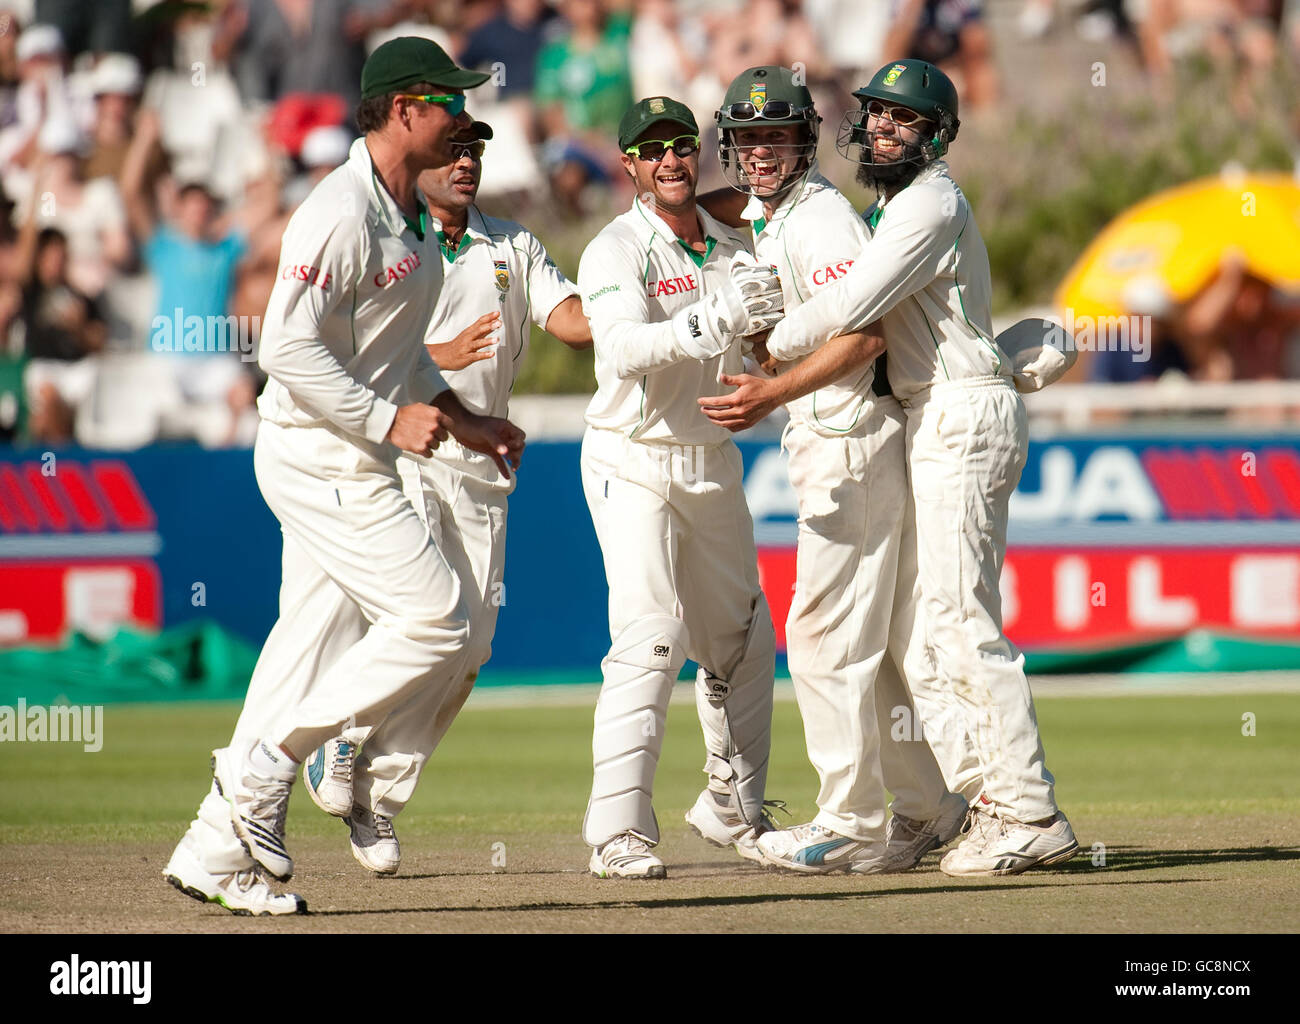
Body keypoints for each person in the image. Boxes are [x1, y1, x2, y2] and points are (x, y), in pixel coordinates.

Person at [162, 37, 526, 915]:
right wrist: (383, 419)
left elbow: (392, 355)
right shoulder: (340, 211)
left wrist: (464, 419)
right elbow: (285, 347)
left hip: (353, 452)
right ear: (404, 110)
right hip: (318, 454)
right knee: (438, 619)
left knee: (300, 653)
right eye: (449, 105)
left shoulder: (409, 213)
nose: (463, 122)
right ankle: (269, 764)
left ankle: (214, 851)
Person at [759, 59, 1078, 877]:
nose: (884, 130)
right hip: (945, 409)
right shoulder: (904, 204)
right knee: (937, 626)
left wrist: (772, 341)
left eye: (904, 119)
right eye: (877, 116)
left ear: (936, 136)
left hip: (958, 415)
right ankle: (985, 804)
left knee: (960, 622)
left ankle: (1027, 811)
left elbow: (852, 305)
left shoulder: (929, 201)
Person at [297, 117, 593, 874]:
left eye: (476, 152)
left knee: (471, 647)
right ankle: (343, 735)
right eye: (453, 150)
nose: (466, 164)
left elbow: (573, 322)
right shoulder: (391, 242)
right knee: (428, 616)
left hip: (481, 467)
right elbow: (334, 352)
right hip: (408, 456)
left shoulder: (512, 245)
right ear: (424, 156)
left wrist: (647, 299)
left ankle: (377, 798)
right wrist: (434, 357)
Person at [697, 66, 972, 874]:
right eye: (746, 140)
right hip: (836, 437)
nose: (759, 155)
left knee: (821, 638)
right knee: (879, 645)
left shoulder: (818, 222)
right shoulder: (778, 214)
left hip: (850, 438)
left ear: (804, 141)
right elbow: (732, 214)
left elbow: (867, 334)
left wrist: (772, 384)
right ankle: (927, 808)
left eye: (775, 138)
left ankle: (846, 819)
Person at [577, 96, 786, 879]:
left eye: (682, 146)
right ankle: (617, 835)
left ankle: (733, 806)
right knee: (651, 634)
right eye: (652, 148)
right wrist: (715, 317)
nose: (669, 159)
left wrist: (769, 350)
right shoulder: (615, 249)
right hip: (631, 457)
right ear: (629, 163)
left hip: (711, 460)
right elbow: (625, 349)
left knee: (741, 638)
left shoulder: (735, 245)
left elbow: (767, 344)